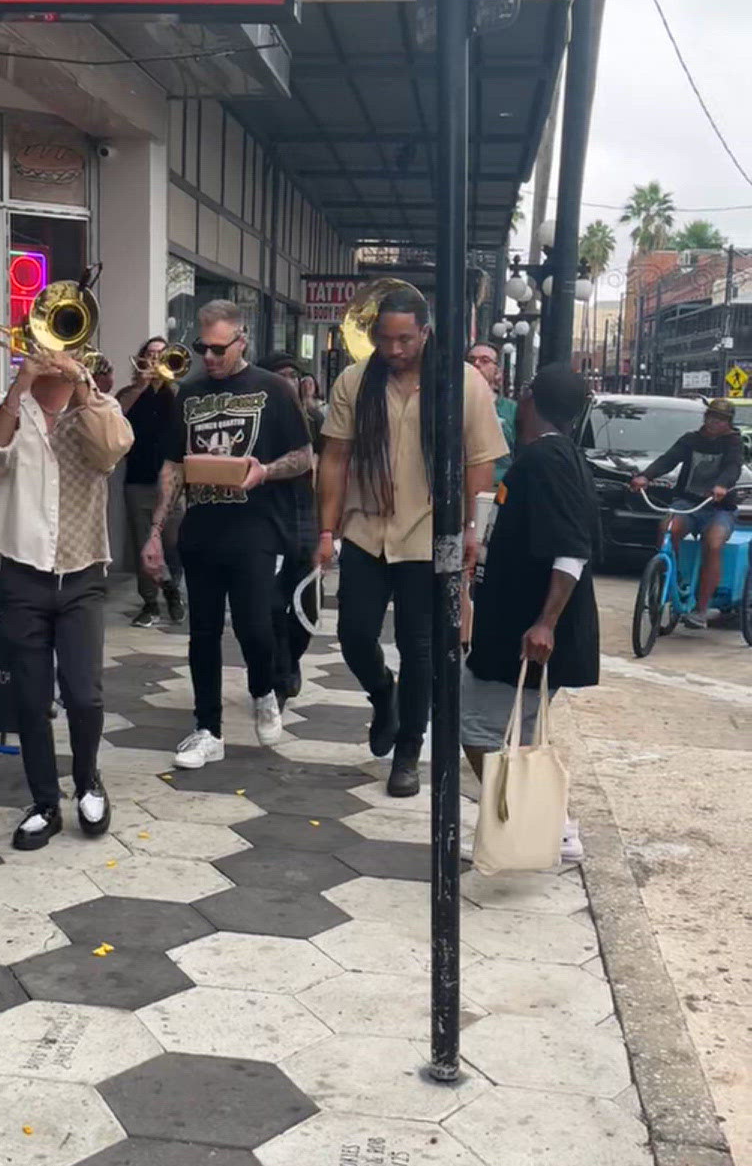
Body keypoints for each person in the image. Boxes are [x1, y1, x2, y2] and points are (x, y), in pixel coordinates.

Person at [318, 283, 507, 797]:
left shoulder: (461, 384)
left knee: (419, 648)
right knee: (355, 635)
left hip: (429, 534)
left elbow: (480, 462)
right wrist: (326, 530)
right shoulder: (356, 383)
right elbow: (334, 458)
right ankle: (385, 696)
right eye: (385, 339)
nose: (394, 350)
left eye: (404, 339)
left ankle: (408, 750)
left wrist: (474, 530)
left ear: (424, 333)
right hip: (364, 529)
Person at [142, 300, 314, 767]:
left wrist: (267, 470)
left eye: (220, 349)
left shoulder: (275, 389)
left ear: (242, 340)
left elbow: (305, 456)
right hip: (202, 528)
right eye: (203, 348)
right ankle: (207, 728)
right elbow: (173, 466)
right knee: (202, 633)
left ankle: (263, 690)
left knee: (255, 626)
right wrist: (156, 531)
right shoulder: (190, 393)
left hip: (256, 527)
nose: (211, 358)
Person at [0, 346, 133, 851]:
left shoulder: (101, 408)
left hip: (82, 572)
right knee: (29, 697)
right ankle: (45, 802)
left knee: (84, 693)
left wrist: (83, 388)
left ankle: (88, 781)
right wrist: (22, 385)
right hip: (23, 575)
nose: (55, 358)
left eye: (67, 350)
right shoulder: (7, 406)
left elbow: (110, 451)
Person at [463, 363, 600, 862]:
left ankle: (540, 825)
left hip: (525, 630)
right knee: (511, 729)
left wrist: (545, 622)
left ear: (527, 401)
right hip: (516, 624)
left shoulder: (546, 462)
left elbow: (572, 549)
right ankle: (545, 827)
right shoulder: (557, 455)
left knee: (476, 724)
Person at [630, 396, 744, 629]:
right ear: (705, 417)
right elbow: (668, 460)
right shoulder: (691, 440)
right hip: (688, 504)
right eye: (712, 416)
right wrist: (646, 476)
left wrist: (722, 485)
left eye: (721, 419)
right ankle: (674, 576)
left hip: (719, 509)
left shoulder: (733, 443)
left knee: (713, 543)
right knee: (666, 529)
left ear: (729, 423)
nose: (715, 422)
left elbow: (733, 467)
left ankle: (701, 610)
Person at [261, 354, 321, 704]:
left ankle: (291, 658)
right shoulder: (260, 418)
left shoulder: (313, 418)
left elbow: (327, 468)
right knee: (270, 602)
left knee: (307, 603)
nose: (288, 381)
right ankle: (280, 669)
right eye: (280, 375)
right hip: (267, 518)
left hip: (305, 516)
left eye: (292, 375)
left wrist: (329, 530)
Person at [116, 336, 186, 629]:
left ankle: (173, 591)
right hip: (138, 478)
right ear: (141, 358)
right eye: (151, 354)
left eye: (162, 354)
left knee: (172, 543)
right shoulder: (130, 392)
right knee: (143, 542)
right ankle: (150, 602)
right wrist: (141, 386)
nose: (156, 359)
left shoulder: (180, 392)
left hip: (173, 484)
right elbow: (117, 416)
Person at [467, 340, 516, 482]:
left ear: (497, 372)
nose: (476, 364)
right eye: (471, 360)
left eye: (485, 360)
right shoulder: (452, 406)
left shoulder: (512, 410)